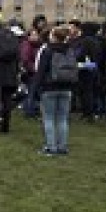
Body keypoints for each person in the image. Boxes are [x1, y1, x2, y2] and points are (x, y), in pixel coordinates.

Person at [32, 25, 78, 155]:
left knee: (49, 118)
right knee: (62, 118)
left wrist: (36, 88)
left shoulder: (48, 50)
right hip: (66, 87)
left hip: (49, 87)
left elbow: (41, 72)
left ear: (54, 37)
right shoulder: (70, 50)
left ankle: (51, 147)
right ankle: (62, 146)